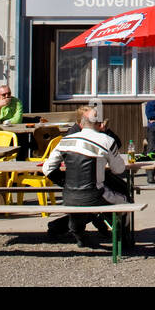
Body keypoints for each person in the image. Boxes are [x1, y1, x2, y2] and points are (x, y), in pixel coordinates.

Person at [43, 106, 128, 247]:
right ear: (98, 124)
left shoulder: (65, 141)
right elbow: (119, 170)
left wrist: (66, 182)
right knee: (125, 202)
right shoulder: (106, 140)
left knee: (81, 205)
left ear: (81, 124)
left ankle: (78, 233)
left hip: (69, 195)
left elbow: (47, 168)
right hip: (96, 194)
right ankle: (122, 239)